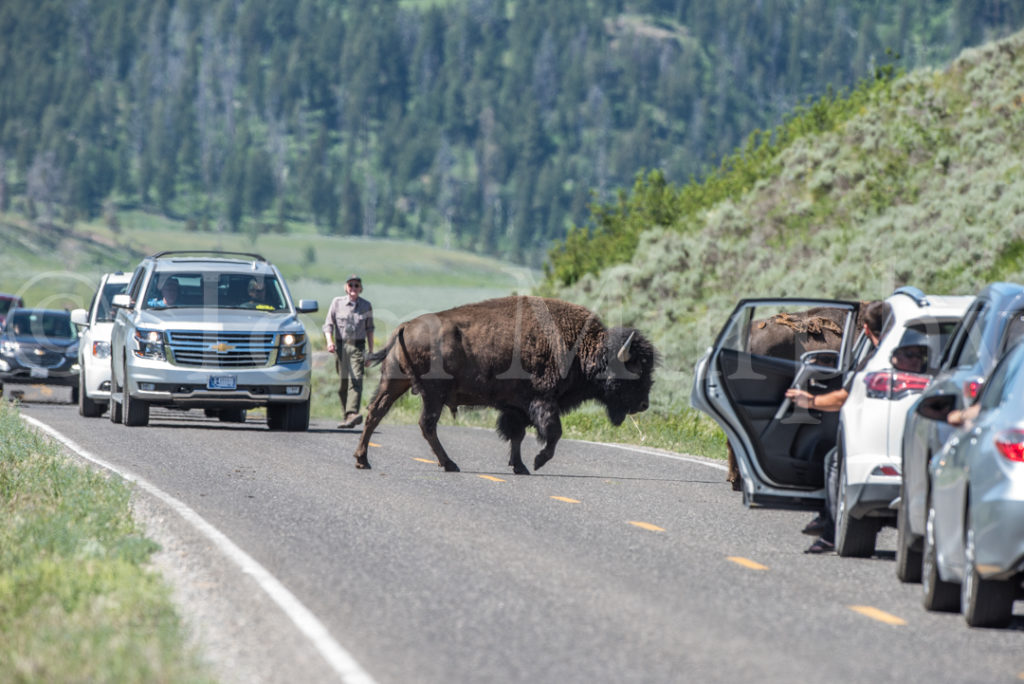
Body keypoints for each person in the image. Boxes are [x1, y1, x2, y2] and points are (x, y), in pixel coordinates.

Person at [785, 300, 890, 554]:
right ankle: (824, 515)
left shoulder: (873, 361)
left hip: (876, 437)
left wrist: (810, 400)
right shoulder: (917, 356)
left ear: (865, 330)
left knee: (834, 459)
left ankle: (831, 531)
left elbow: (843, 397)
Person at [323, 274, 374, 429]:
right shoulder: (337, 303)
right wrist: (329, 342)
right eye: (351, 285)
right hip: (340, 346)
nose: (353, 288)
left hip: (358, 346)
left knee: (356, 378)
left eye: (356, 285)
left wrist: (371, 352)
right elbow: (328, 325)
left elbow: (370, 329)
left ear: (361, 289)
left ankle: (352, 412)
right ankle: (347, 416)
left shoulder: (366, 306)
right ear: (346, 287)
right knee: (343, 384)